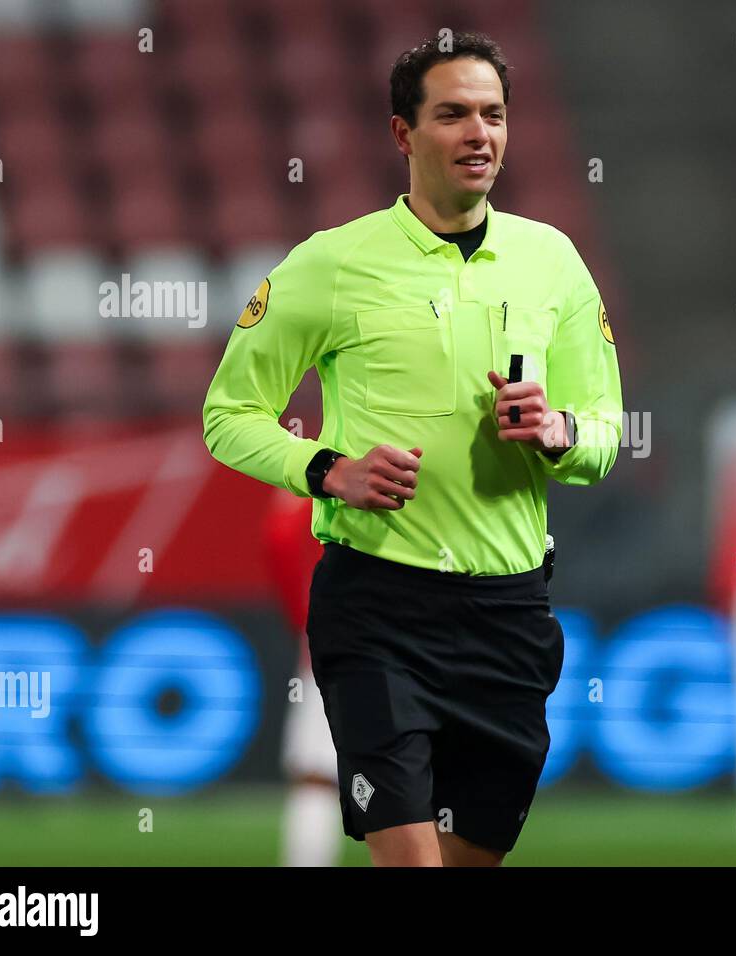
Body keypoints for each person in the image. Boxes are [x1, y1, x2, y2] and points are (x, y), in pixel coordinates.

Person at [201, 31, 623, 866]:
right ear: (403, 134)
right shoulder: (331, 265)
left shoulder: (554, 264)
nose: (480, 134)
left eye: (494, 115)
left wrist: (560, 433)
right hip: (378, 609)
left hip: (509, 615)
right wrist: (327, 471)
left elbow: (605, 427)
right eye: (454, 114)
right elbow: (229, 413)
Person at [262, 491, 341, 867]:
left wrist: (306, 619)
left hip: (335, 653)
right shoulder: (409, 468)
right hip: (423, 650)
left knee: (316, 778)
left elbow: (278, 537)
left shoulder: (307, 484)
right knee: (436, 784)